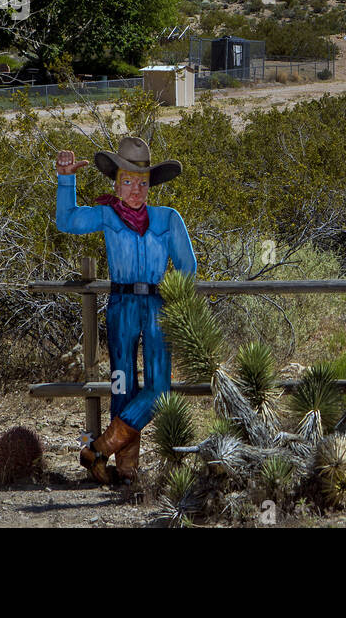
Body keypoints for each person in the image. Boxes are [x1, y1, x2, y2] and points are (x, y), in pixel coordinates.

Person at [54, 137, 197, 484]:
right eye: (129, 181)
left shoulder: (168, 219)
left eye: (143, 182)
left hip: (159, 306)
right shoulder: (107, 215)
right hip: (121, 307)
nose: (136, 190)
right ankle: (126, 471)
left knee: (159, 388)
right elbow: (67, 220)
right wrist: (65, 179)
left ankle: (99, 449)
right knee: (122, 386)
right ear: (116, 183)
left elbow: (187, 268)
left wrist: (178, 304)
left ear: (151, 185)